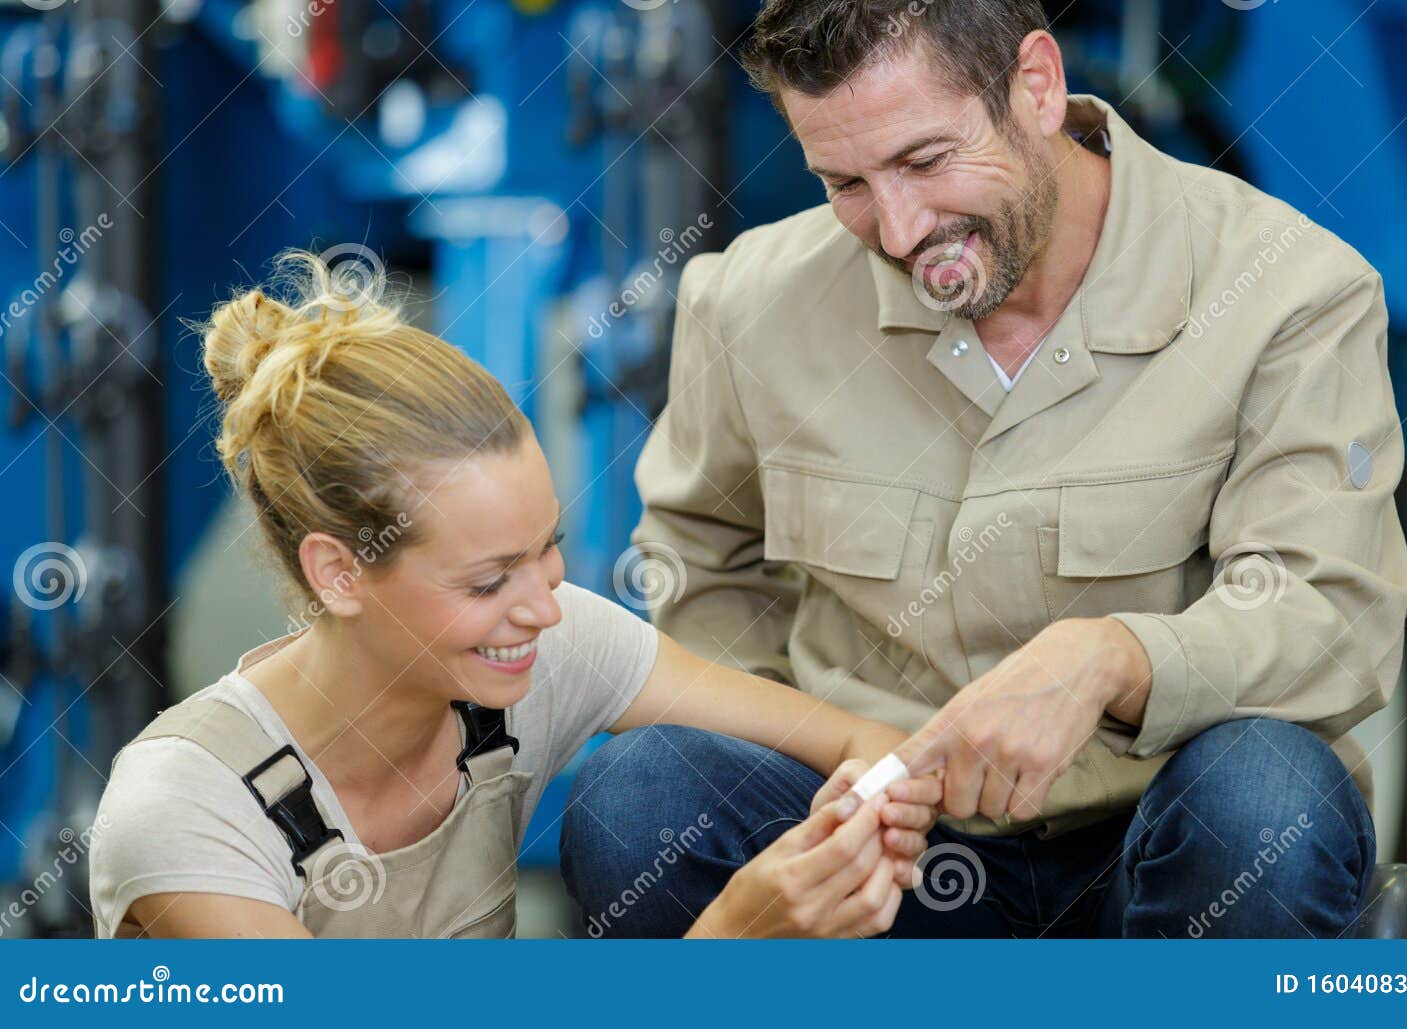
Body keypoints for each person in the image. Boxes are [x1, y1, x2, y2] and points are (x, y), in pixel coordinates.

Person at [561, 0, 1407, 937]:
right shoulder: (747, 302)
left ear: (1038, 85)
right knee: (635, 796)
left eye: (925, 159)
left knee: (1266, 795)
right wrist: (834, 751)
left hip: (1157, 843)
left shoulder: (1286, 288)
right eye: (844, 182)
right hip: (886, 849)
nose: (900, 224)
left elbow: (1328, 614)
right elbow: (703, 561)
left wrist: (1114, 657)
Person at [87, 252, 940, 939]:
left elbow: (864, 739)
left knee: (649, 791)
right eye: (490, 579)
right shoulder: (188, 807)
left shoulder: (541, 645)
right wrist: (736, 941)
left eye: (549, 550)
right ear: (338, 572)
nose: (540, 605)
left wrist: (868, 813)